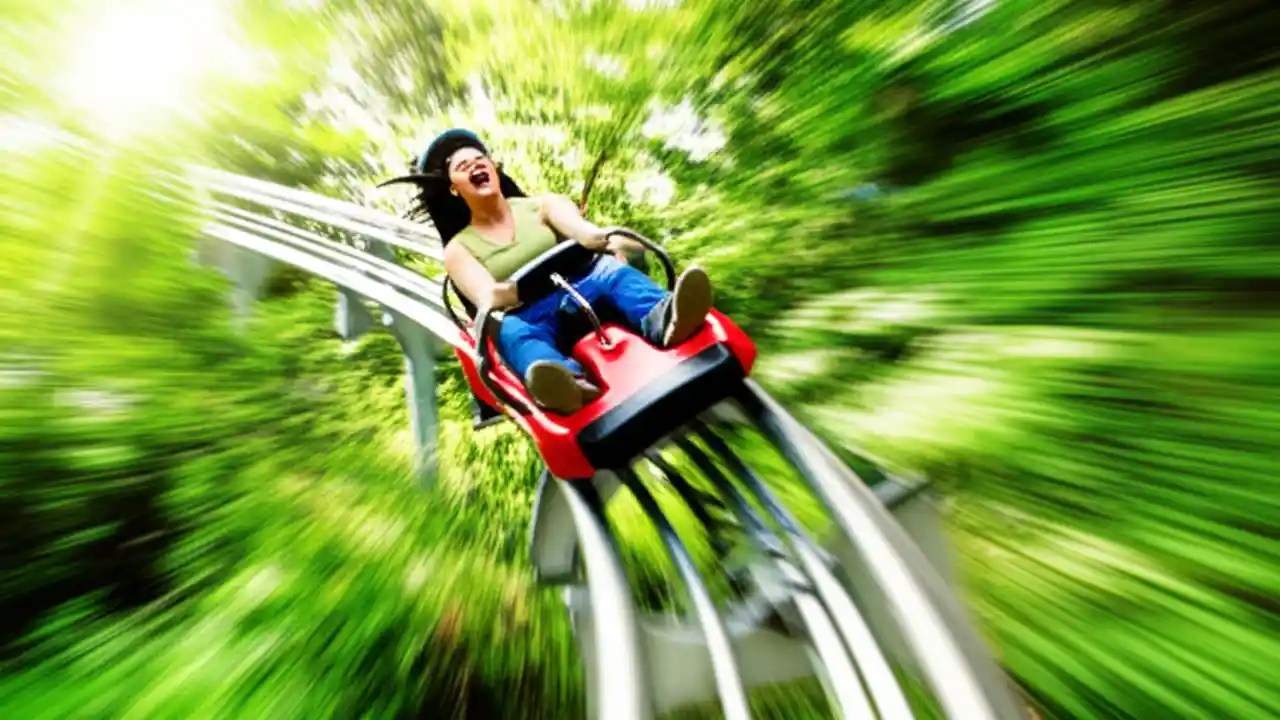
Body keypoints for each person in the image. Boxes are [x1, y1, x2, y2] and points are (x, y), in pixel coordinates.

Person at [381, 128, 714, 414]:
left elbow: (583, 232)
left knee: (613, 275)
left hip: (585, 285)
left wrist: (603, 239)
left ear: (494, 166)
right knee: (512, 331)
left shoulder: (542, 205)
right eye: (463, 166)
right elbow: (488, 297)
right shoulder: (458, 250)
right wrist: (517, 290)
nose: (475, 165)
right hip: (530, 314)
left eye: (479, 159)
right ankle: (565, 384)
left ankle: (666, 318)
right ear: (453, 188)